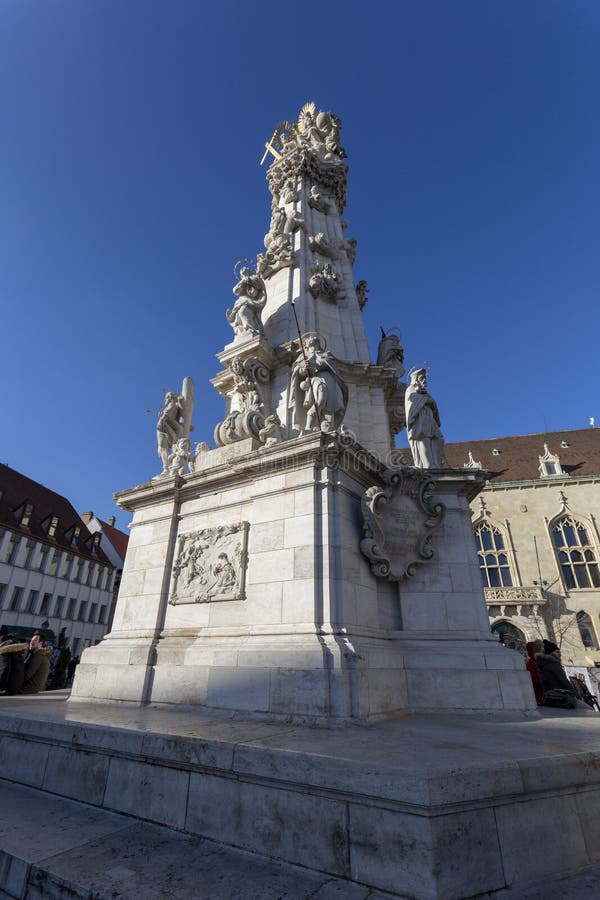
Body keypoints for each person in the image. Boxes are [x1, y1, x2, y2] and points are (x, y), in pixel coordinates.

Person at [405, 368, 444, 468]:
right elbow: (411, 407)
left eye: (424, 378)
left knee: (439, 439)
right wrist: (425, 400)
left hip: (430, 420)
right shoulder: (410, 390)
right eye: (422, 378)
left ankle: (436, 463)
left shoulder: (425, 393)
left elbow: (432, 403)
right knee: (423, 440)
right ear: (416, 380)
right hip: (420, 422)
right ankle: (428, 465)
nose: (424, 380)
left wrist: (430, 401)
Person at [536, 640, 589, 709]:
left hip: (550, 698)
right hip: (561, 697)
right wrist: (577, 696)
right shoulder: (553, 664)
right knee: (587, 709)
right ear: (550, 653)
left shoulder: (542, 665)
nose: (560, 654)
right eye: (557, 652)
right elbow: (564, 682)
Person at [525, 639, 544, 704]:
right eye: (541, 647)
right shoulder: (532, 663)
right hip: (540, 696)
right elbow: (536, 680)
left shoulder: (537, 661)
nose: (543, 649)